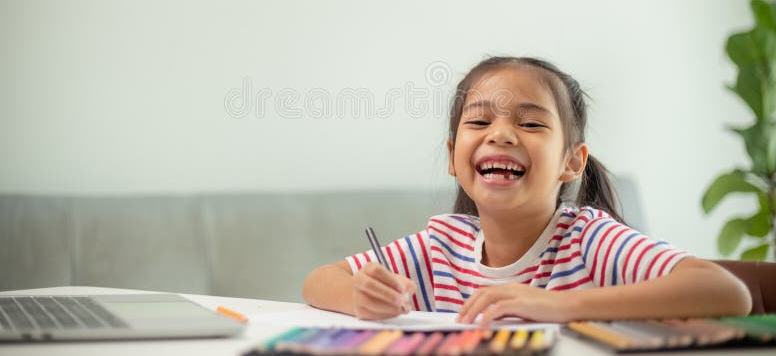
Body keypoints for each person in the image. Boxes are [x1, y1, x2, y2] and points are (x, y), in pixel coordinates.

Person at [302, 56, 751, 324]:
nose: (500, 134)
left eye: (531, 123)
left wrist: (561, 306)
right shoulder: (442, 247)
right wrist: (361, 296)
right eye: (478, 121)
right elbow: (319, 281)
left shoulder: (587, 239)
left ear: (572, 162)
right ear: (453, 157)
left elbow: (727, 293)